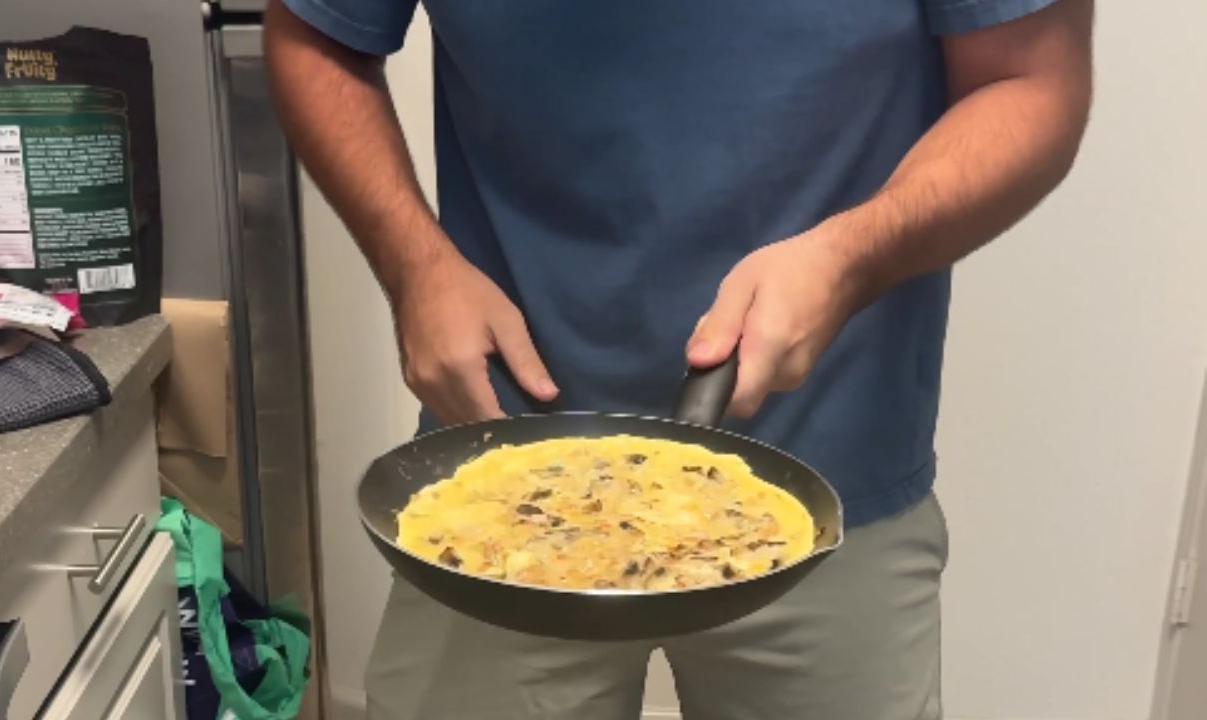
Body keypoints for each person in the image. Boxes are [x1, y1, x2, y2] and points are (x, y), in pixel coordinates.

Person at [264, 0, 1093, 717]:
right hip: (497, 474)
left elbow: (1031, 81)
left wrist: (852, 256)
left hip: (835, 474)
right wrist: (415, 266)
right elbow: (316, 35)